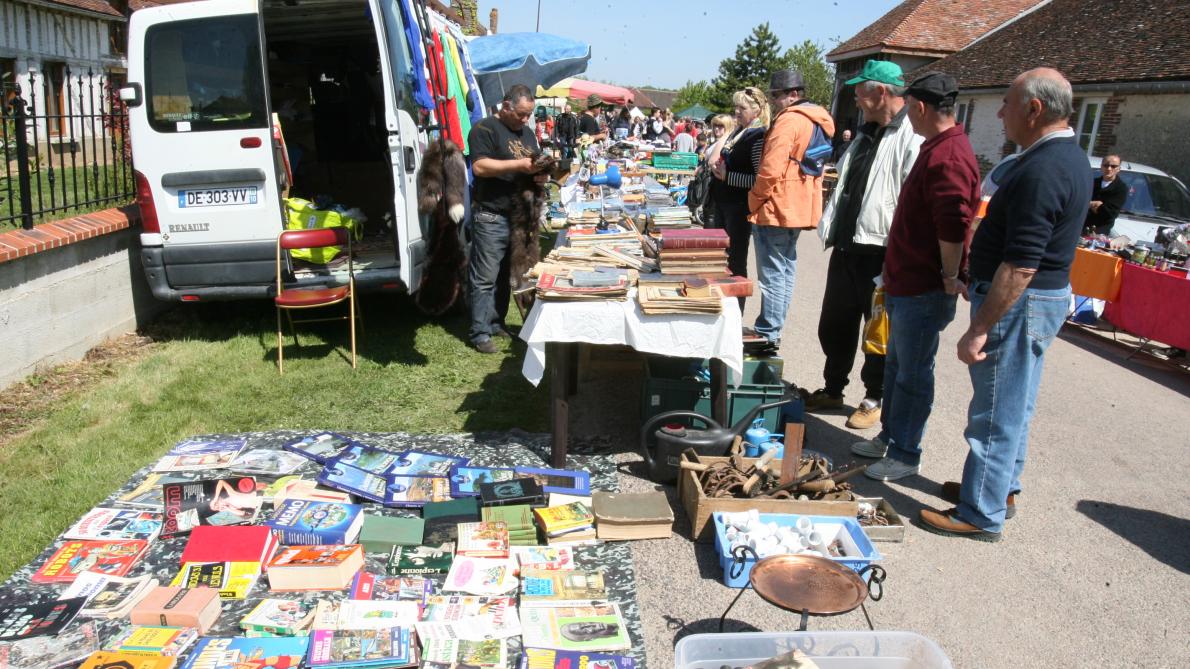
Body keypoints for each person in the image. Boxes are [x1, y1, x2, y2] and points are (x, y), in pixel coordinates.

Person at [919, 68, 1089, 541]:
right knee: (1016, 402)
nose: (1000, 112)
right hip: (1035, 300)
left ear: (1035, 109)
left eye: (1008, 103)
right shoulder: (1062, 158)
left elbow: (1022, 265)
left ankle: (980, 511)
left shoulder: (1044, 168)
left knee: (995, 411)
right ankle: (999, 488)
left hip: (1022, 300)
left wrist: (978, 330)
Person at [850, 72, 980, 481]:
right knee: (895, 367)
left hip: (924, 287)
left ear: (920, 107)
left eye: (910, 109)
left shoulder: (950, 156)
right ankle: (890, 438)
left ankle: (906, 453)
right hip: (905, 281)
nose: (907, 116)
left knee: (911, 375)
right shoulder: (935, 147)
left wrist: (947, 276)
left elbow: (953, 228)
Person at [808, 60, 923, 430]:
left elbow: (911, 199)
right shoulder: (864, 132)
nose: (855, 98)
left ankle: (873, 397)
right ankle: (832, 388)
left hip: (881, 251)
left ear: (881, 92)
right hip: (847, 245)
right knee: (835, 323)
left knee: (876, 333)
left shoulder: (911, 134)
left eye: (860, 91)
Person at [747, 68, 836, 347]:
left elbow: (770, 168)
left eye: (777, 95)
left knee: (773, 273)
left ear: (793, 94)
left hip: (777, 206)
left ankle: (768, 331)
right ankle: (773, 329)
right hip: (798, 205)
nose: (774, 101)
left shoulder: (789, 122)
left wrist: (754, 198)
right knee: (785, 270)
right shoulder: (817, 120)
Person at [466, 84, 547, 354]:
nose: (526, 120)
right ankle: (479, 332)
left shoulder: (526, 133)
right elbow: (479, 167)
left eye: (529, 115)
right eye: (522, 114)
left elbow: (532, 162)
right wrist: (519, 165)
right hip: (491, 213)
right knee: (485, 276)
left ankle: (495, 322)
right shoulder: (484, 129)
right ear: (506, 106)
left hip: (518, 216)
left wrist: (539, 175)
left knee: (504, 276)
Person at [711, 87, 770, 308]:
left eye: (742, 108)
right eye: (735, 107)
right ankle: (722, 306)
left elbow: (758, 179)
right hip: (723, 202)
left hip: (739, 207)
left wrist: (728, 176)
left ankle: (736, 312)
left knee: (735, 262)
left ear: (756, 111)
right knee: (720, 260)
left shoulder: (758, 136)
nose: (736, 111)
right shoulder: (739, 132)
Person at [700, 114, 735, 229]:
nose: (716, 128)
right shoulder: (718, 141)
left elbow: (712, 162)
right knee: (709, 215)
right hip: (713, 185)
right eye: (715, 125)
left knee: (712, 218)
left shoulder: (726, 141)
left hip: (719, 185)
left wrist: (715, 172)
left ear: (728, 127)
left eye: (720, 126)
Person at [1085, 154, 1128, 235]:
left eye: (1113, 166)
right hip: (1082, 228)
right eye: (1106, 165)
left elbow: (1109, 213)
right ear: (1101, 166)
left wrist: (1090, 204)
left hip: (1101, 234)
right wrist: (1095, 204)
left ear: (1119, 169)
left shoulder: (1121, 188)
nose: (1109, 168)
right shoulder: (1091, 183)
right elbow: (1080, 203)